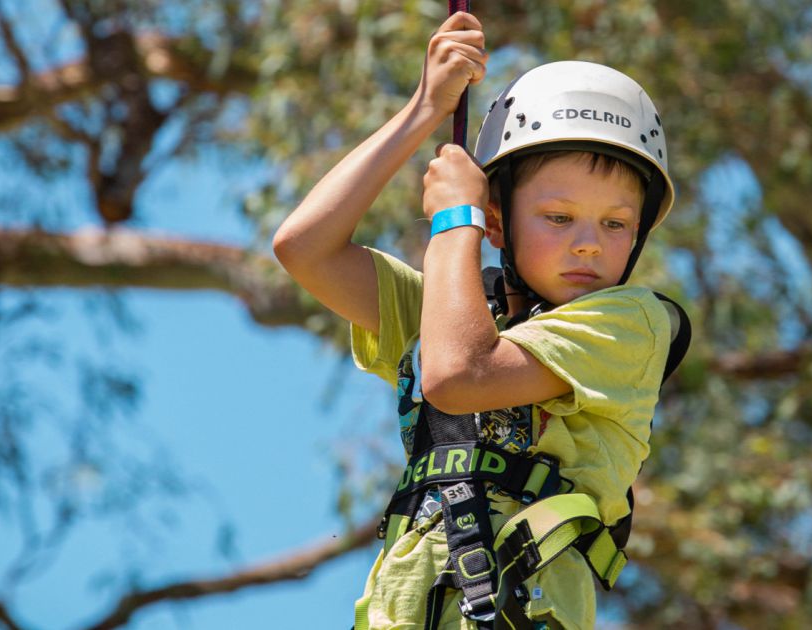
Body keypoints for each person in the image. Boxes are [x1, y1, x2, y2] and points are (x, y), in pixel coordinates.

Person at [273, 11, 688, 630]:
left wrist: (453, 223)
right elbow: (304, 248)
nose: (588, 244)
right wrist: (421, 111)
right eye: (558, 217)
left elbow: (457, 374)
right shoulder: (451, 310)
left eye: (615, 223)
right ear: (499, 223)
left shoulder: (630, 324)